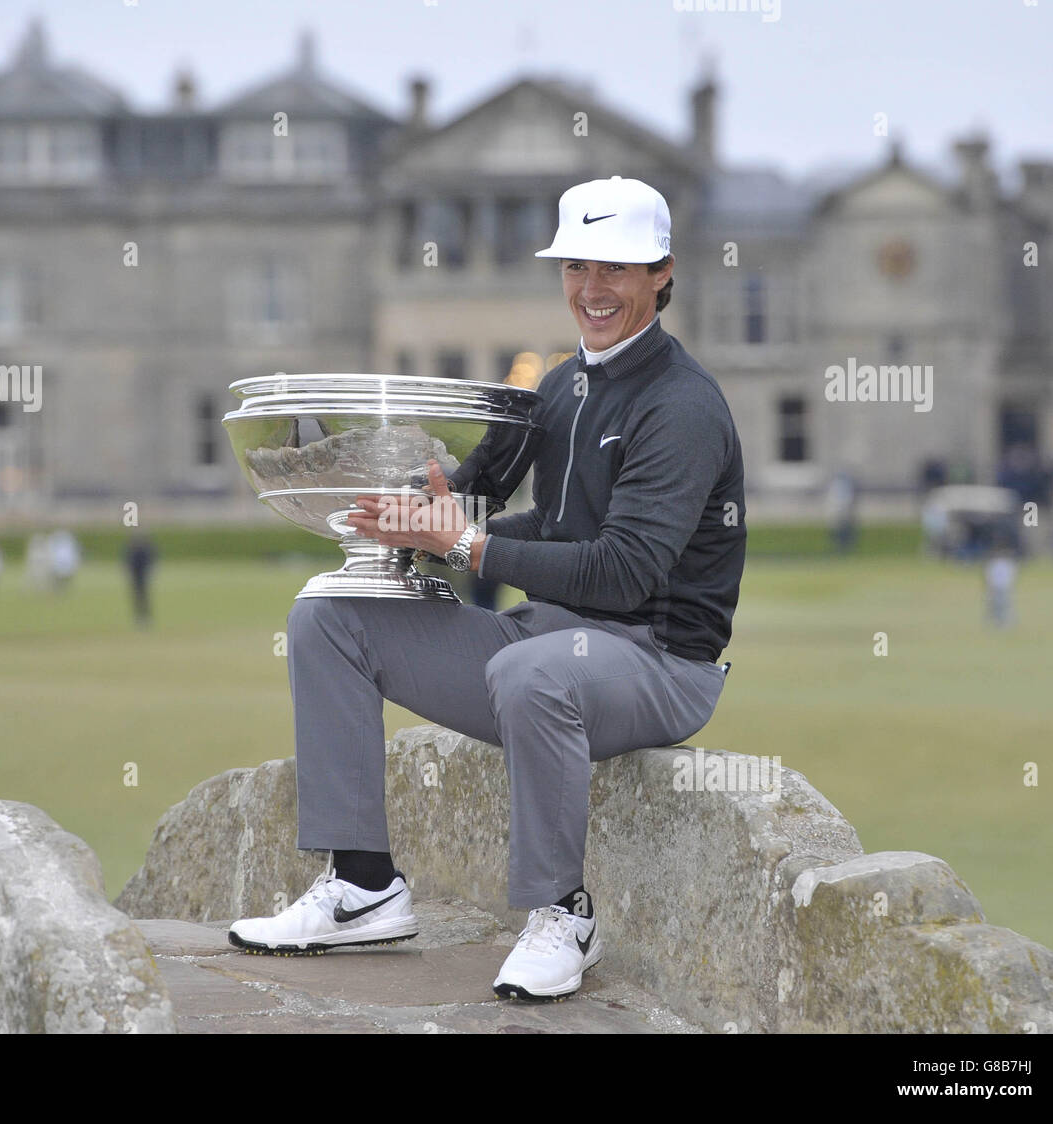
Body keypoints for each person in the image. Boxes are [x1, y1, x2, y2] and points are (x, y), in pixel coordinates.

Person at [228, 176, 747, 1001]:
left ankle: (562, 912)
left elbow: (624, 570)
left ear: (661, 274)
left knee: (528, 673)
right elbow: (511, 518)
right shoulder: (557, 389)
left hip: (660, 663)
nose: (592, 289)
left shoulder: (683, 405)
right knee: (327, 616)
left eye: (615, 268)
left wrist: (465, 541)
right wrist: (428, 512)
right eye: (576, 266)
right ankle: (364, 887)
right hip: (544, 635)